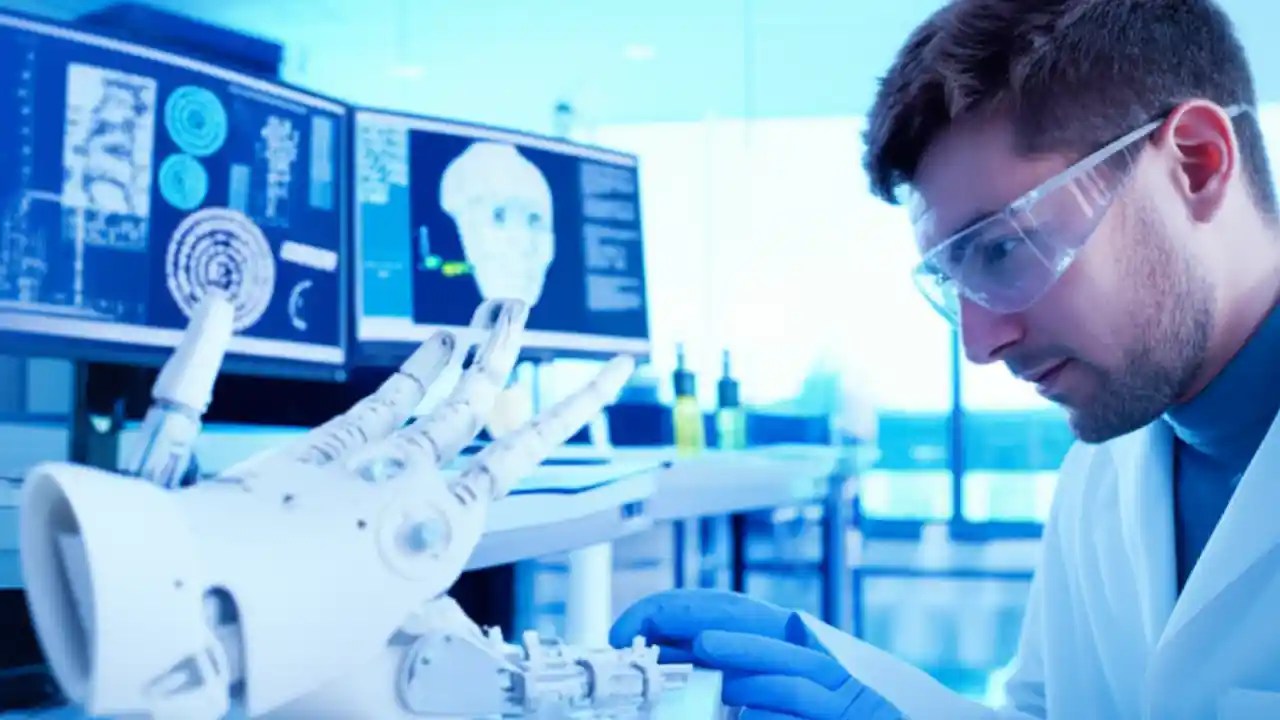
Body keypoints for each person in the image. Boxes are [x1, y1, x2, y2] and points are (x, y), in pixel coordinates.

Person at [611, 1, 1280, 718]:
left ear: (1196, 163)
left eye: (1004, 249)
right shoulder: (1103, 471)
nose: (980, 343)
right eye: (955, 279)